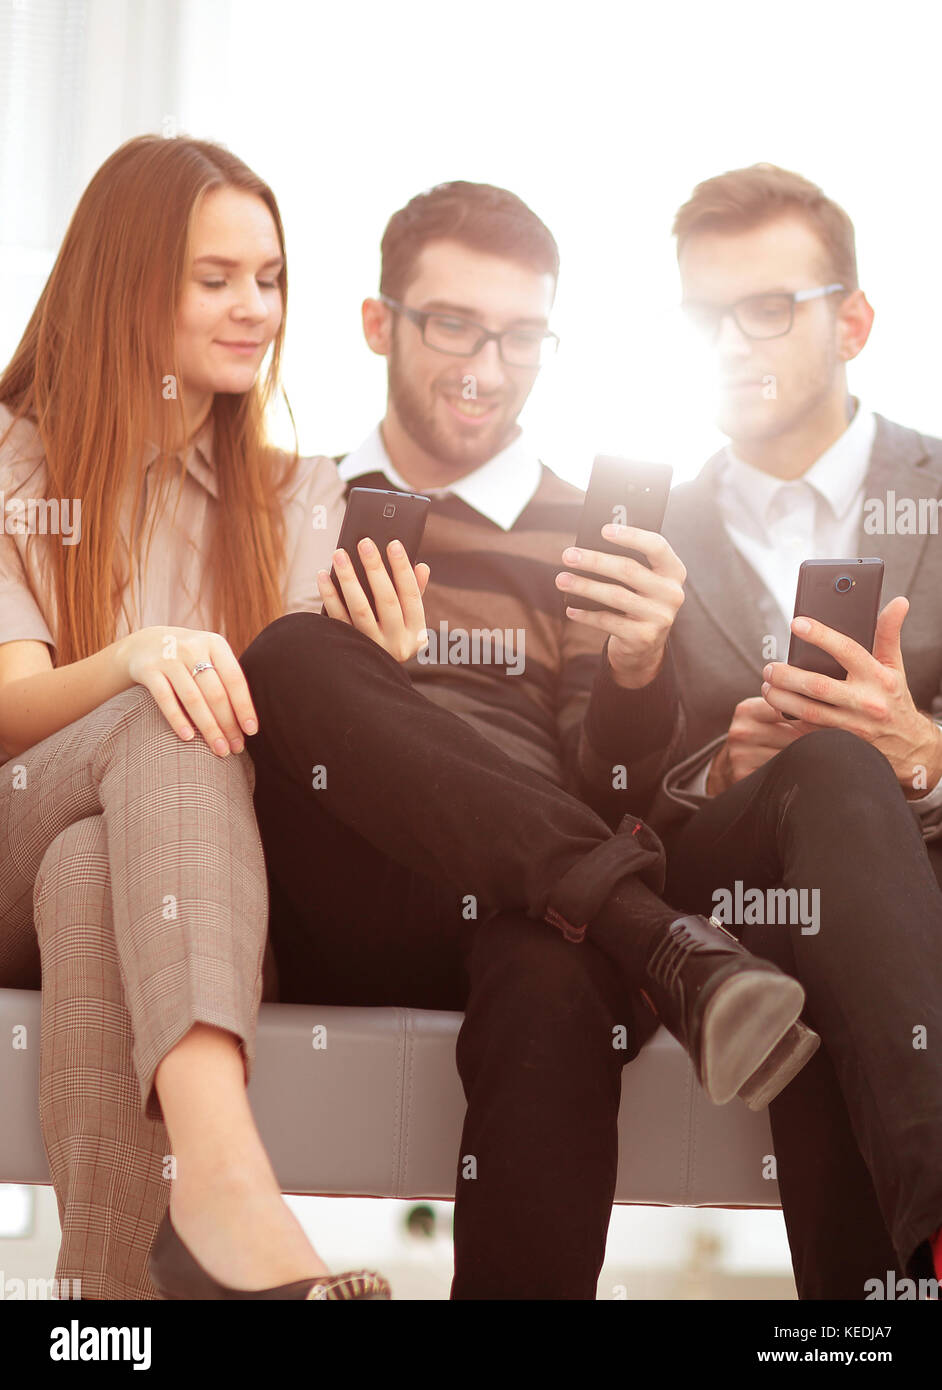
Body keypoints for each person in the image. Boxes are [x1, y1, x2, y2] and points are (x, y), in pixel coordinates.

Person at [236, 180, 819, 1301]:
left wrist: (640, 673)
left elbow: (611, 783)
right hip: (336, 880)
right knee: (292, 653)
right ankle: (658, 935)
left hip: (528, 897)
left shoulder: (583, 528)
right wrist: (370, 680)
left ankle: (622, 922)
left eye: (522, 337)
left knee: (555, 972)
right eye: (454, 324)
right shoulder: (279, 495)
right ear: (377, 323)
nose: (486, 367)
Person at [0, 132, 429, 1300]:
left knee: (98, 864)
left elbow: (292, 771)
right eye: (217, 278)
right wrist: (138, 659)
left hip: (191, 891)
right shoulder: (16, 462)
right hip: (9, 840)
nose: (257, 308)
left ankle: (107, 1304)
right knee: (167, 704)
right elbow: (7, 712)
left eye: (271, 278)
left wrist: (368, 684)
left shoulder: (306, 496)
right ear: (127, 282)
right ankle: (227, 1182)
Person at [647, 163, 942, 1297]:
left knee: (844, 895)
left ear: (852, 322)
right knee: (819, 773)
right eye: (701, 314)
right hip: (726, 889)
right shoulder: (644, 525)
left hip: (892, 893)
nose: (729, 341)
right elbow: (587, 772)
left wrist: (919, 752)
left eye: (766, 307)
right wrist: (719, 768)